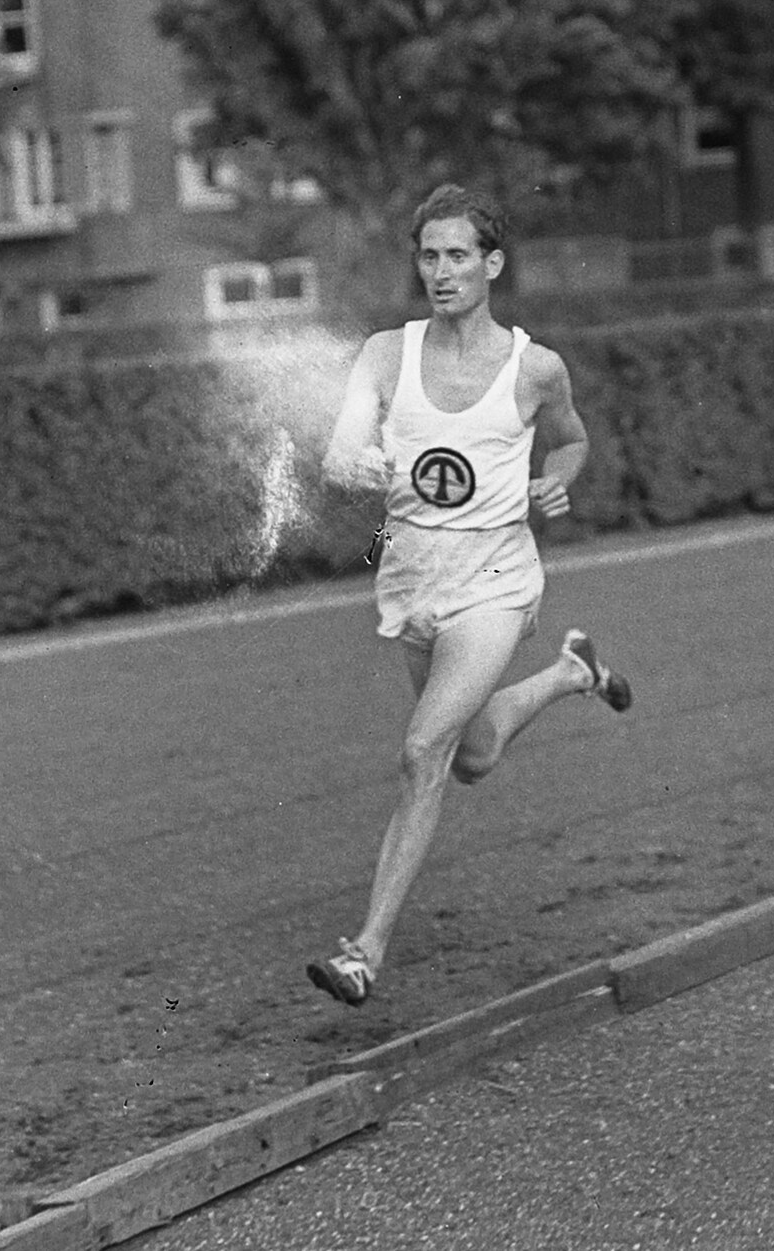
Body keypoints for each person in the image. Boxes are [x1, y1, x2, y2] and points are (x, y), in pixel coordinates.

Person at [307, 183, 632, 1007]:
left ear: (492, 264)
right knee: (473, 755)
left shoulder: (534, 368)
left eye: (458, 256)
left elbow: (572, 442)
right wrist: (353, 457)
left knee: (422, 753)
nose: (441, 272)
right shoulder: (386, 354)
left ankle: (365, 951)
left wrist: (555, 482)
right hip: (413, 579)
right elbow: (344, 443)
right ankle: (571, 675)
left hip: (497, 580)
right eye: (428, 256)